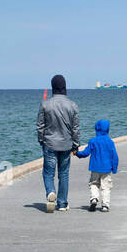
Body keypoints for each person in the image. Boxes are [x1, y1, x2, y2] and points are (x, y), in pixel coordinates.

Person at [36, 74, 81, 212]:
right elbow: (75, 128)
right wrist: (76, 144)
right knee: (64, 174)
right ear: (64, 87)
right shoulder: (73, 105)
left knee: (48, 173)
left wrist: (41, 140)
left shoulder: (45, 104)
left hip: (49, 143)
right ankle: (62, 204)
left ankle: (50, 192)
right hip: (66, 144)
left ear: (53, 87)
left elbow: (40, 126)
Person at [76, 119, 119, 212]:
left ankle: (94, 198)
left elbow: (86, 153)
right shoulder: (110, 142)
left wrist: (77, 153)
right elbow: (114, 156)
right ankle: (105, 205)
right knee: (106, 187)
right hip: (107, 168)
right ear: (107, 130)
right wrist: (114, 168)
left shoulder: (93, 141)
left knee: (94, 184)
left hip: (95, 167)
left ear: (96, 129)